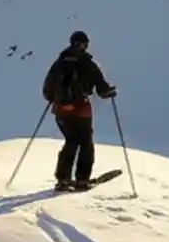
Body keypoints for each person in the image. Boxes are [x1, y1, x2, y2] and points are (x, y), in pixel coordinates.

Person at [42, 30, 117, 191]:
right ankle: (82, 180)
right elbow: (102, 89)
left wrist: (57, 100)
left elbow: (47, 89)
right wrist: (109, 92)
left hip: (61, 110)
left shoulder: (59, 63)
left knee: (70, 141)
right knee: (85, 143)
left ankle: (63, 179)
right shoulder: (88, 63)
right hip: (81, 109)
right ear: (85, 44)